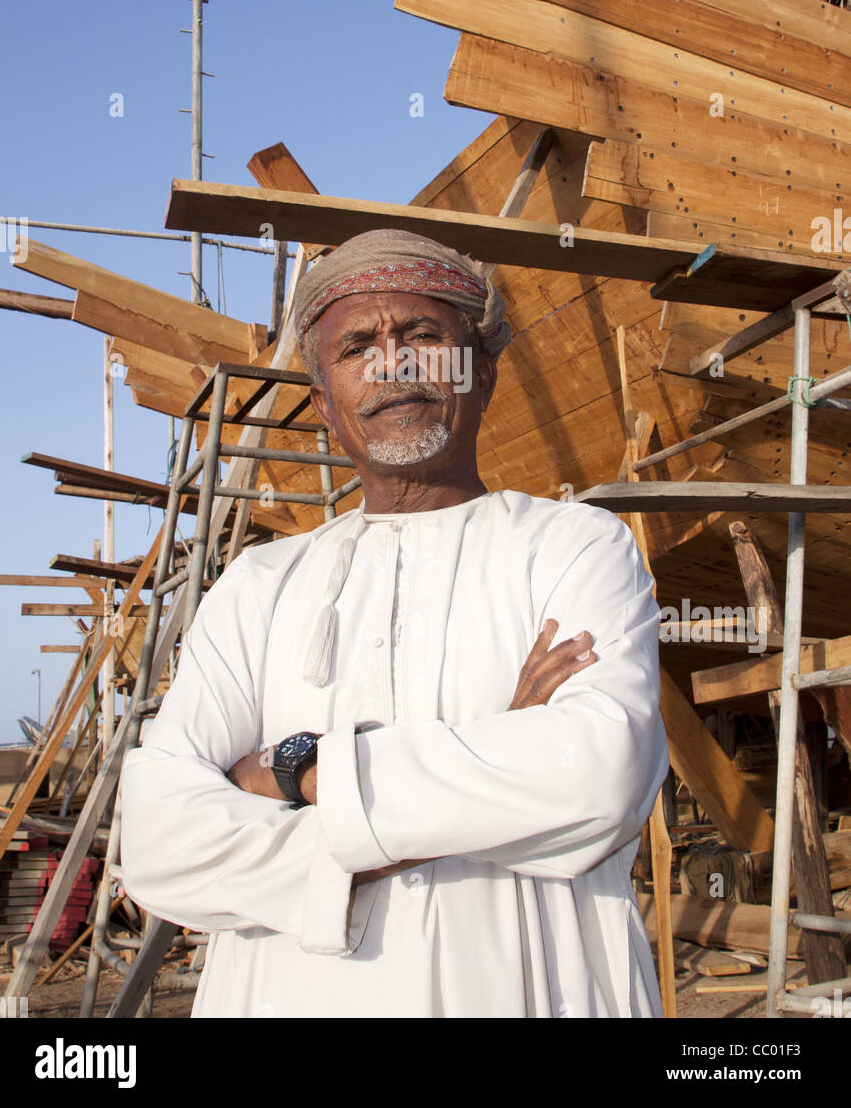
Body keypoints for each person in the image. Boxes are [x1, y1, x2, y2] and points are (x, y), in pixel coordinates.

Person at [120, 228, 668, 1017]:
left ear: (479, 375)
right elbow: (161, 842)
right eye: (357, 347)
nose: (392, 364)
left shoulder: (572, 543)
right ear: (324, 406)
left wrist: (294, 774)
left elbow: (599, 773)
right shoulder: (257, 586)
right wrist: (495, 753)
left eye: (421, 336)